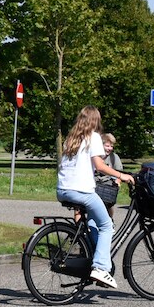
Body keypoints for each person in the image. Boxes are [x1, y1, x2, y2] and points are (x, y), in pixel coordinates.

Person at [56, 106, 134, 289]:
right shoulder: (94, 137)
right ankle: (100, 267)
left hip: (63, 190)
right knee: (106, 225)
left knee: (93, 221)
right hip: (82, 191)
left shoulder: (71, 138)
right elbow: (99, 166)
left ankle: (91, 253)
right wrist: (121, 176)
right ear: (96, 121)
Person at [95, 132, 123, 218]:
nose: (109, 148)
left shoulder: (114, 157)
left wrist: (118, 182)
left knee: (108, 204)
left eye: (111, 146)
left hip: (107, 187)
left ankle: (109, 221)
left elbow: (120, 173)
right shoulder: (95, 156)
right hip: (94, 185)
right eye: (107, 146)